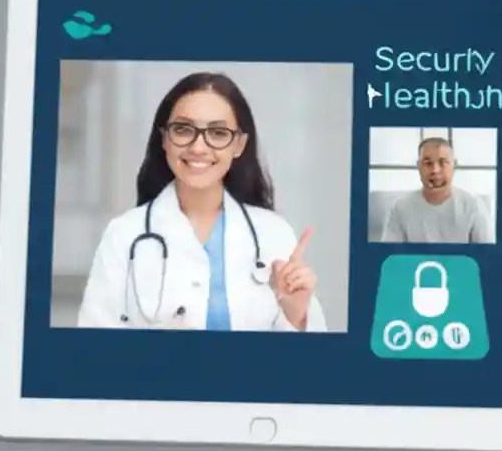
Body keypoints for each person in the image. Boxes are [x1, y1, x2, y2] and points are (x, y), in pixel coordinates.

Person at [77, 71, 327, 332]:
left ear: (239, 145)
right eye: (183, 129)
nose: (198, 147)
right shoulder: (124, 234)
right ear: (164, 138)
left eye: (218, 133)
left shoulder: (272, 233)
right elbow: (93, 348)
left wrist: (297, 315)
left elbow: (314, 365)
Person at [380, 137, 494, 244]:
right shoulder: (400, 207)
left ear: (454, 166)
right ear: (418, 167)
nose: (435, 170)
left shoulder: (474, 206)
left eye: (443, 162)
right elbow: (390, 257)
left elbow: (487, 258)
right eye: (428, 163)